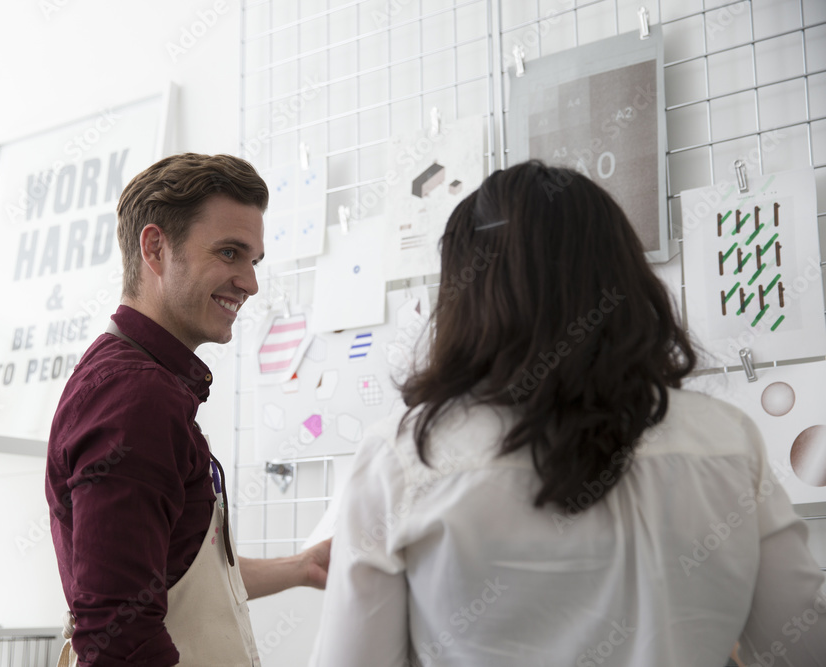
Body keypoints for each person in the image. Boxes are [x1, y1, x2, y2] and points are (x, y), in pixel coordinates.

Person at [312, 161, 826, 666]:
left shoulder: (402, 460)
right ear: (625, 277)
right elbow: (804, 643)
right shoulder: (728, 441)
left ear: (465, 297)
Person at [46, 152, 331, 667]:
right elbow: (118, 635)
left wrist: (300, 567)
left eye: (254, 260)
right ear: (156, 247)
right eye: (229, 253)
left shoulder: (144, 384)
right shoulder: (134, 399)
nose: (250, 281)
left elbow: (175, 572)